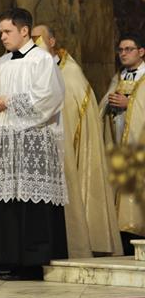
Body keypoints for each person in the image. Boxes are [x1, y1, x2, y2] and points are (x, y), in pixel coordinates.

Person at [0, 8, 67, 280]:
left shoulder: (42, 60)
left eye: (7, 31)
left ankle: (32, 261)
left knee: (32, 205)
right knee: (9, 204)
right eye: (1, 33)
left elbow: (49, 98)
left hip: (32, 142)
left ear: (24, 31)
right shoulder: (0, 63)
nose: (3, 37)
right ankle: (11, 259)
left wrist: (9, 102)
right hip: (5, 143)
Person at [32, 24, 122, 258]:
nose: (33, 43)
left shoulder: (70, 73)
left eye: (37, 38)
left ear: (52, 41)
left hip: (65, 150)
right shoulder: (30, 68)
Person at [99, 33, 145, 255]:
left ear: (141, 51)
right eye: (120, 50)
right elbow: (103, 105)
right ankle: (123, 238)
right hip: (118, 143)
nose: (123, 54)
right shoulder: (118, 77)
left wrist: (131, 103)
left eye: (128, 49)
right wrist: (108, 106)